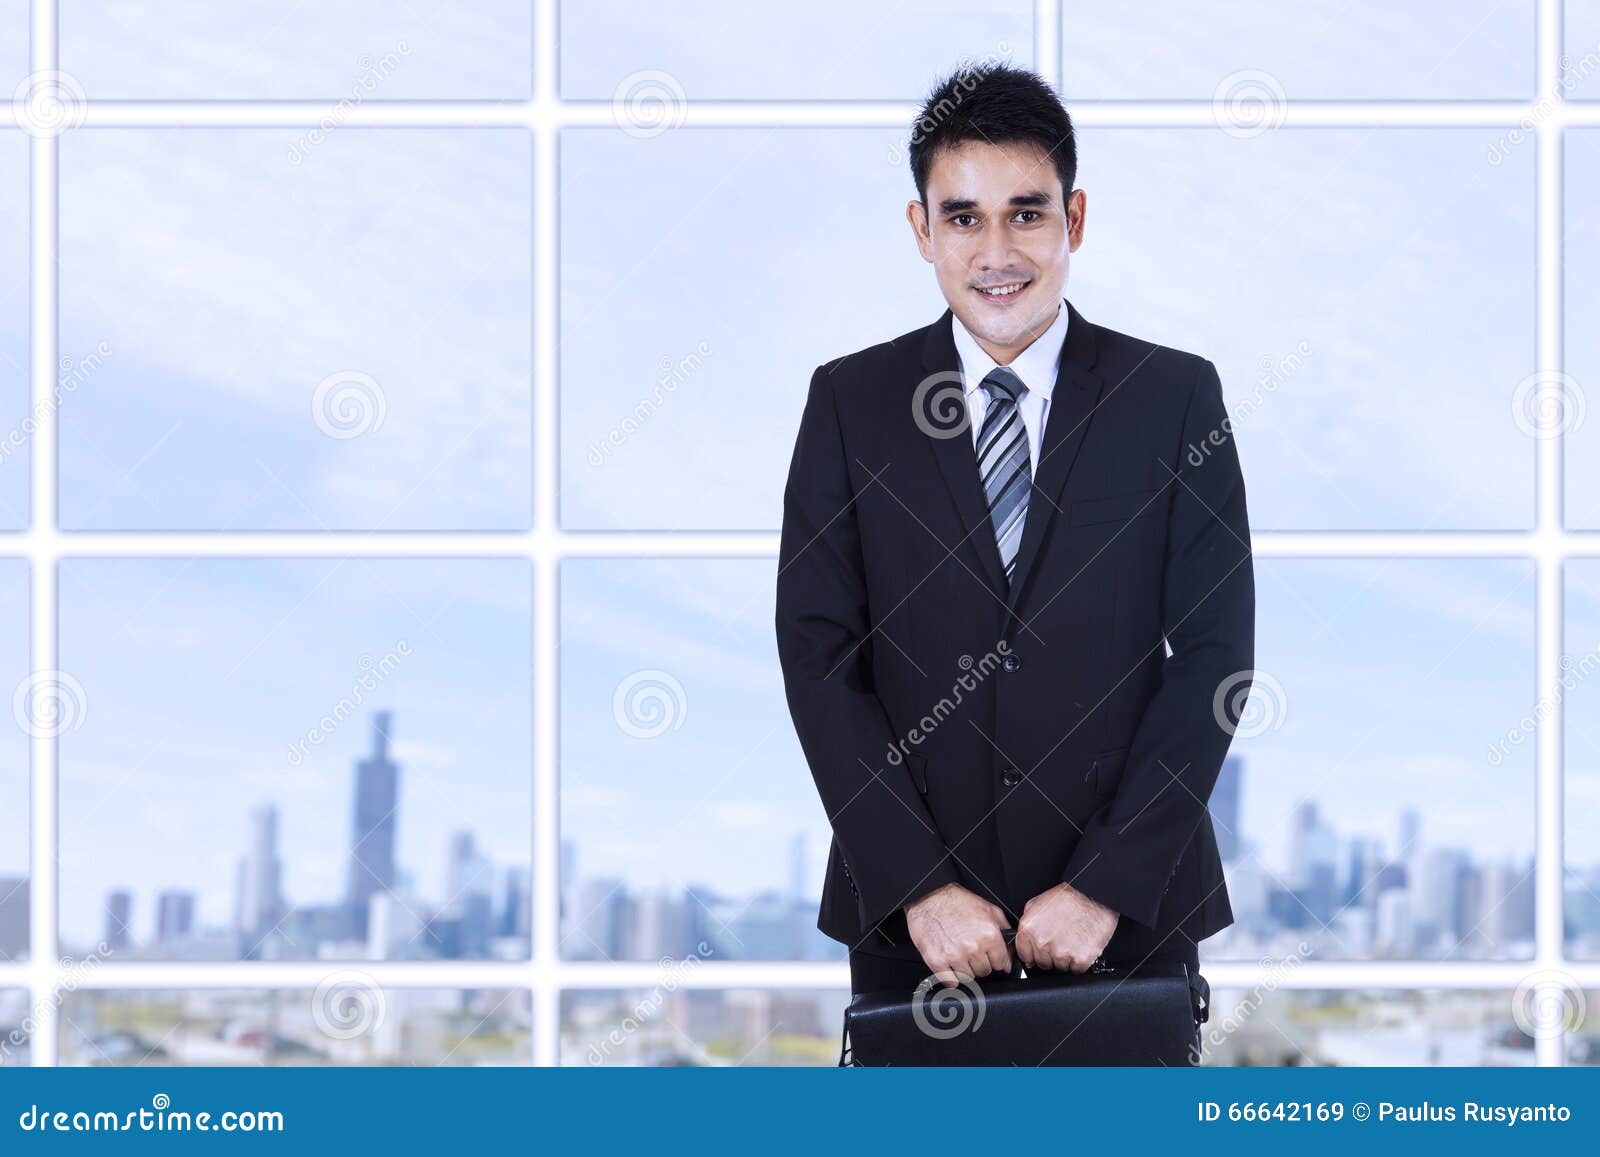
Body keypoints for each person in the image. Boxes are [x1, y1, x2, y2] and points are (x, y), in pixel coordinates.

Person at [775, 63, 1255, 1001]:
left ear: (1074, 220)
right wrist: (918, 886)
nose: (996, 250)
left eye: (1026, 213)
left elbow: (1213, 654)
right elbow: (818, 656)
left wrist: (1106, 885)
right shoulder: (851, 403)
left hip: (1130, 917)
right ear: (923, 230)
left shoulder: (1173, 396)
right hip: (916, 925)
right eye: (963, 217)